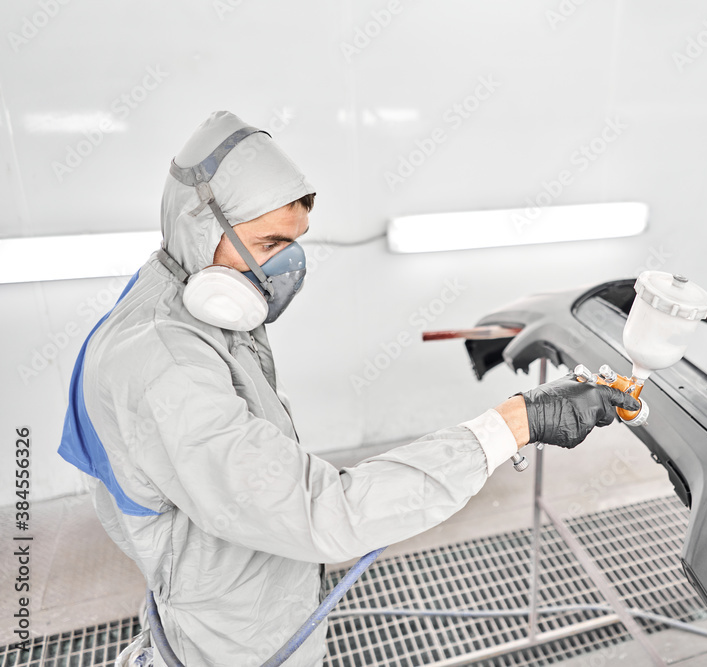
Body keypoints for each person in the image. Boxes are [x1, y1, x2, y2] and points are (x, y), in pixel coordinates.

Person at [59, 110, 640, 666]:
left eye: (294, 243)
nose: (284, 269)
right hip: (234, 643)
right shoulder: (166, 365)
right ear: (197, 229)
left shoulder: (184, 304)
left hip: (243, 596)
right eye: (266, 246)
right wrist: (516, 423)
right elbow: (322, 512)